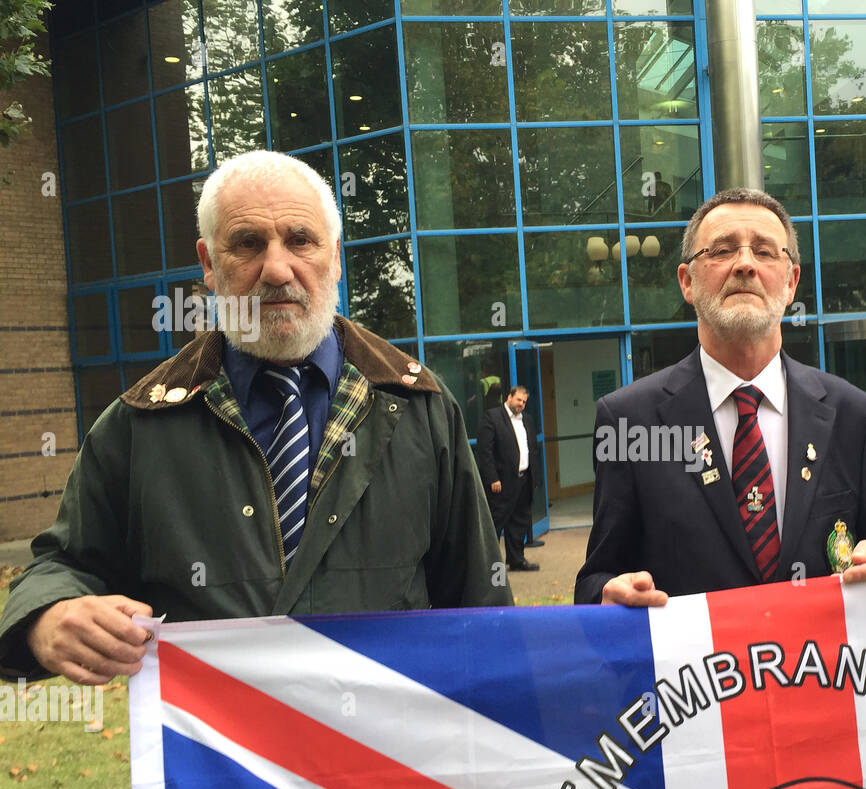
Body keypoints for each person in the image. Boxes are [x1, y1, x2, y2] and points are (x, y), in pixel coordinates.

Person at [0, 150, 511, 685]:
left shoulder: (420, 410)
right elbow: (61, 564)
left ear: (335, 257)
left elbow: (481, 603)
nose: (275, 268)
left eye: (300, 240)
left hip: (383, 757)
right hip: (222, 764)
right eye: (247, 243)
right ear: (207, 263)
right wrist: (47, 616)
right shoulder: (139, 425)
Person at [575, 188, 866, 606]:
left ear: (791, 282)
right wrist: (606, 594)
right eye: (722, 250)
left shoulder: (854, 416)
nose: (745, 265)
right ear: (687, 282)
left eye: (766, 252)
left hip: (817, 670)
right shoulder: (630, 421)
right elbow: (594, 579)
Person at [477, 385, 539, 572]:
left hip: (523, 480)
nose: (521, 404)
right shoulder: (492, 417)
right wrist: (492, 478)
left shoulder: (527, 420)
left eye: (524, 402)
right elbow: (484, 451)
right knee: (496, 523)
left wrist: (533, 478)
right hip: (501, 483)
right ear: (509, 397)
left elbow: (532, 449)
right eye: (519, 400)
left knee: (519, 523)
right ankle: (490, 566)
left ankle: (516, 560)